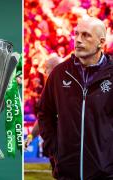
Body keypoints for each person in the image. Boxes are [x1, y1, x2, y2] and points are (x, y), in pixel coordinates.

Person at [38, 16, 113, 180]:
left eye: (86, 35)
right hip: (67, 172)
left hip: (105, 174)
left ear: (101, 42)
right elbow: (44, 113)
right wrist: (56, 150)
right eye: (76, 34)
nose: (78, 40)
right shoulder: (59, 74)